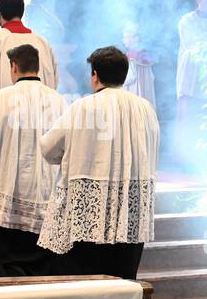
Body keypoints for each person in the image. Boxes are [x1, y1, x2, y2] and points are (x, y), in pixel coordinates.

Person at [38, 47, 159, 280]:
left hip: (88, 214)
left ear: (95, 75)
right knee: (122, 284)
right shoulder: (146, 109)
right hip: (129, 211)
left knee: (85, 284)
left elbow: (48, 147)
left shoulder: (82, 107)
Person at [0, 44, 66, 276]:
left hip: (3, 193)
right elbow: (63, 146)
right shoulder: (59, 101)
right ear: (38, 66)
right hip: (42, 194)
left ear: (14, 67)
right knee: (40, 267)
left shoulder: (0, 98)